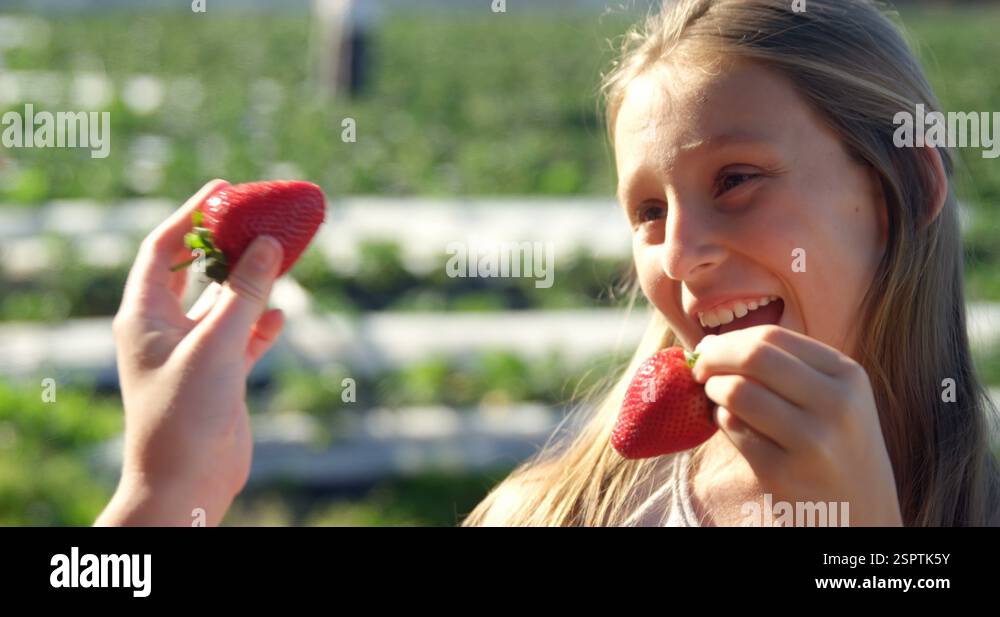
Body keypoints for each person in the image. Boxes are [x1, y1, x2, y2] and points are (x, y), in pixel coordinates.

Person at [97, 0, 1000, 527]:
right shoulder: (552, 513)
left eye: (737, 179)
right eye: (648, 210)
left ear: (901, 190)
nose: (680, 254)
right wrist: (165, 487)